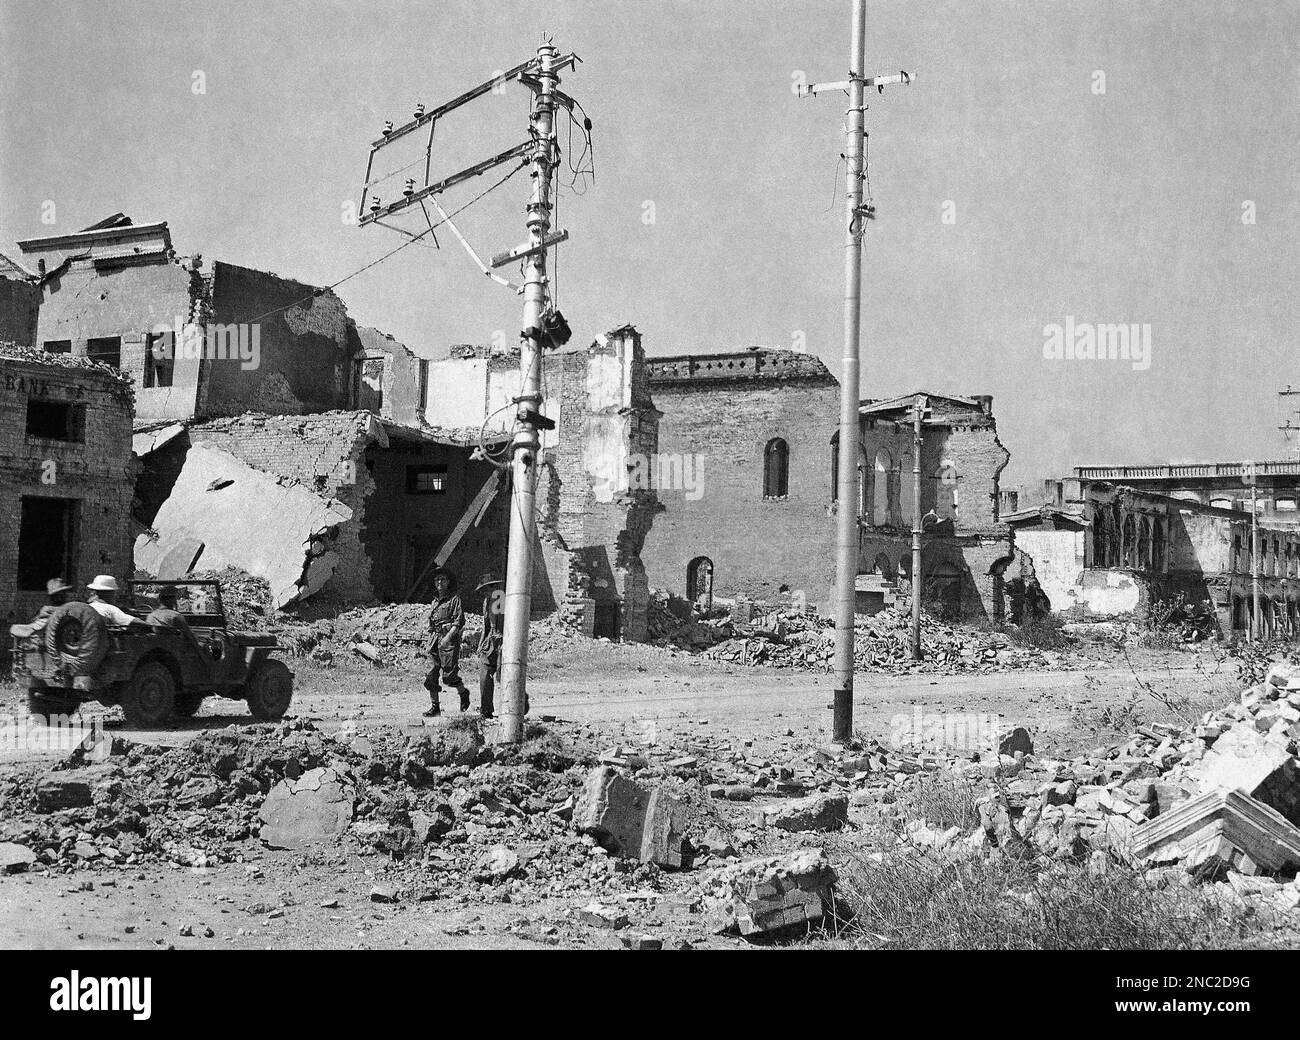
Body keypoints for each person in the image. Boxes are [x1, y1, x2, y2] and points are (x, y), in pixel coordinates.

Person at [423, 569, 470, 717]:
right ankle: (435, 707)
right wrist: (429, 641)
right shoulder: (434, 602)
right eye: (437, 580)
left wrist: (447, 638)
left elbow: (458, 622)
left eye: (442, 579)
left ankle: (463, 692)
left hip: (448, 640)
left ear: (448, 582)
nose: (439, 582)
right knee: (431, 675)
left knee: (449, 677)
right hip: (434, 640)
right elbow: (431, 624)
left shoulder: (454, 599)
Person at [475, 573, 504, 719]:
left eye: (487, 588)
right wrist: (481, 644)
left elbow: (504, 624)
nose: (485, 592)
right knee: (485, 673)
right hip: (490, 642)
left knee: (504, 675)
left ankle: (512, 710)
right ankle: (486, 709)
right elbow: (486, 626)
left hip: (503, 641)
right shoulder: (487, 601)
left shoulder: (500, 597)